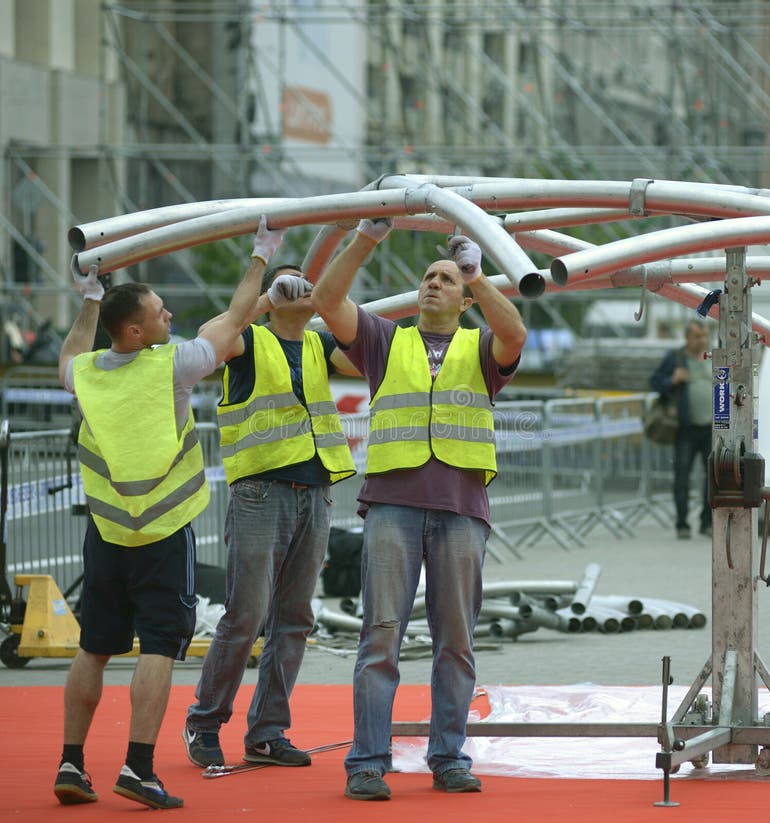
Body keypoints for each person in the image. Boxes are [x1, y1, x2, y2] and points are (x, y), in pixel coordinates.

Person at [53, 216, 284, 810]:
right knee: (158, 647)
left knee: (94, 647)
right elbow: (231, 322)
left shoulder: (86, 376)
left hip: (106, 534)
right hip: (161, 533)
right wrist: (261, 254)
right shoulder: (170, 367)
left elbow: (76, 349)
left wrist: (90, 298)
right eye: (160, 313)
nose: (170, 318)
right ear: (135, 332)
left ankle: (71, 764)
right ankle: (137, 767)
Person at [311, 218, 527, 801]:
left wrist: (481, 278)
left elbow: (515, 334)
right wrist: (365, 238)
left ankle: (449, 756)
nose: (434, 283)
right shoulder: (386, 340)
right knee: (380, 637)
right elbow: (327, 299)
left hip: (460, 509)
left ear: (463, 296)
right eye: (429, 276)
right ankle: (367, 762)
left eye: (447, 278)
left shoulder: (479, 344)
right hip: (392, 507)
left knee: (454, 641)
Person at [182, 262, 360, 769]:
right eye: (292, 282)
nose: (300, 287)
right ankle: (204, 720)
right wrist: (263, 300)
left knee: (295, 619)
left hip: (315, 491)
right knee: (245, 615)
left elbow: (373, 355)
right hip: (261, 492)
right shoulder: (250, 341)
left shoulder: (319, 345)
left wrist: (333, 299)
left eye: (306, 282)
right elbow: (209, 339)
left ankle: (267, 732)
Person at [649, 318, 713, 540]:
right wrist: (672, 381)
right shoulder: (676, 358)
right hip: (685, 428)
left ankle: (707, 522)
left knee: (712, 477)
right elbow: (655, 381)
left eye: (704, 336)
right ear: (687, 337)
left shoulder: (713, 358)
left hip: (710, 428)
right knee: (682, 477)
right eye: (697, 336)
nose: (702, 340)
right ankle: (682, 523)